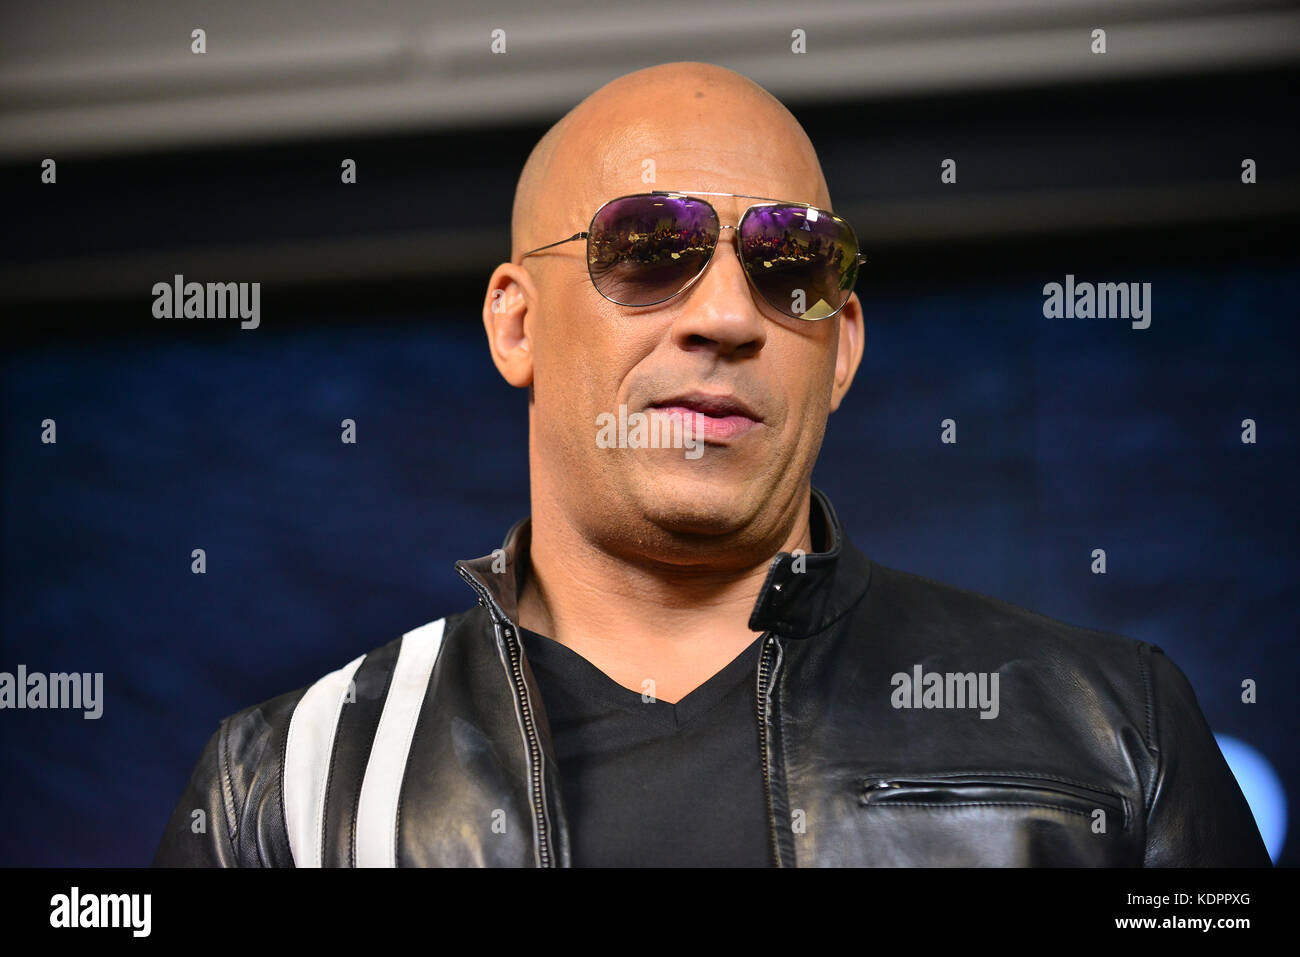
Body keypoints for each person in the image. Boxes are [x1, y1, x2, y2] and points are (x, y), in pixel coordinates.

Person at [153, 61, 1270, 867]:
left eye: (792, 265)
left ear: (842, 345)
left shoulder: (1115, 734)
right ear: (515, 324)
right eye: (648, 249)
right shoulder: (287, 786)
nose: (730, 316)